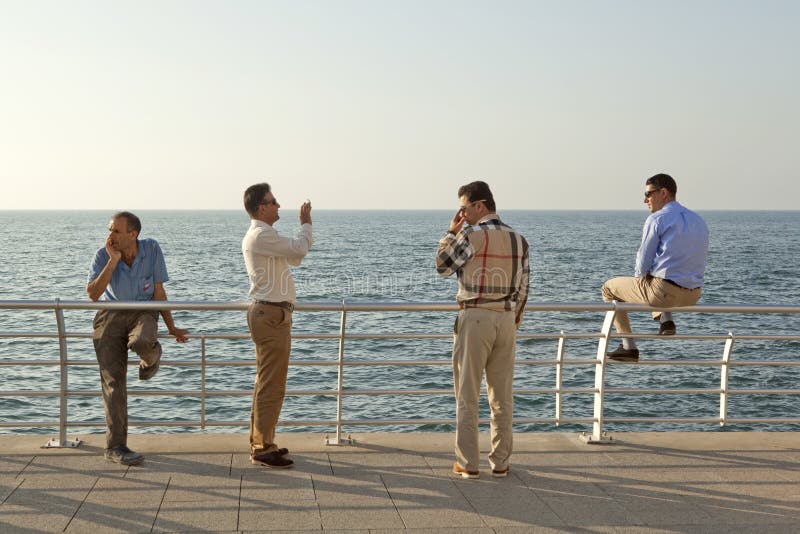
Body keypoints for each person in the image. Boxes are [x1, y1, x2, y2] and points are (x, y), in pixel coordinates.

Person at [436, 181, 530, 479]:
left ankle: (468, 463)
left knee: (468, 394)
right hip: (506, 320)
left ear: (480, 206)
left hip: (475, 317)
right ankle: (500, 462)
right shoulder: (519, 239)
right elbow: (524, 288)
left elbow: (442, 265)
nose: (461, 214)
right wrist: (513, 321)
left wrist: (451, 232)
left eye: (464, 208)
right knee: (502, 396)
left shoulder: (471, 234)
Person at [86, 211, 189, 465]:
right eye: (109, 230)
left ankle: (151, 359)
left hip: (144, 312)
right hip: (110, 316)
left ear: (133, 234)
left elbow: (159, 291)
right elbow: (93, 294)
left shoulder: (151, 249)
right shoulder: (103, 255)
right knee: (113, 384)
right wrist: (113, 261)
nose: (110, 235)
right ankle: (116, 446)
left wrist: (171, 326)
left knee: (142, 341)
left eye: (116, 231)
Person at [602, 173, 709, 362]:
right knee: (657, 275)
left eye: (648, 194)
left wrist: (642, 277)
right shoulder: (697, 220)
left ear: (664, 193)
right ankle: (665, 320)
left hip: (663, 293)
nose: (645, 200)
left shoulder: (657, 219)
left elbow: (642, 263)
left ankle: (628, 347)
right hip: (693, 294)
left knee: (609, 288)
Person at [242, 183, 312, 468]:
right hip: (271, 316)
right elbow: (300, 249)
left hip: (271, 315)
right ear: (262, 207)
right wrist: (306, 224)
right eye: (273, 202)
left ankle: (262, 441)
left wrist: (300, 239)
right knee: (271, 384)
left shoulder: (265, 235)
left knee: (268, 383)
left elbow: (294, 257)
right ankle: (261, 446)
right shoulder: (261, 235)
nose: (278, 205)